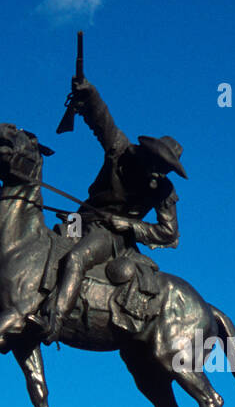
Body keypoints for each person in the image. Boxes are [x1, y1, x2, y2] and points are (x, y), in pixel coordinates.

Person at [42, 76, 186, 344]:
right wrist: (90, 92)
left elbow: (169, 232)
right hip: (80, 217)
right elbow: (102, 121)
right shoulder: (121, 150)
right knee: (48, 247)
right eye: (159, 165)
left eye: (166, 169)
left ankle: (55, 320)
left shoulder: (164, 191)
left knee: (75, 259)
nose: (160, 173)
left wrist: (128, 226)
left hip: (112, 234)